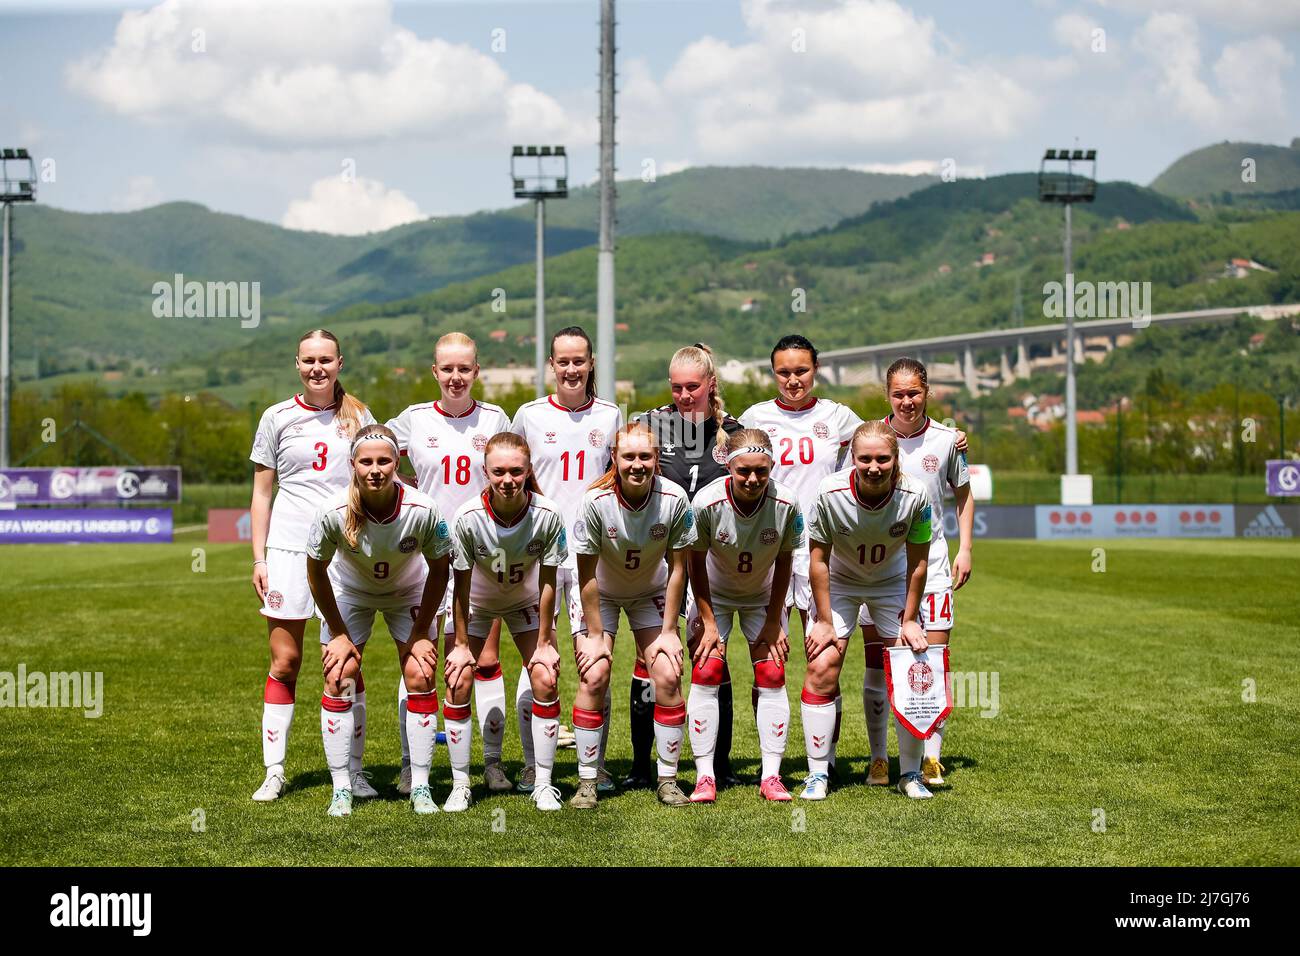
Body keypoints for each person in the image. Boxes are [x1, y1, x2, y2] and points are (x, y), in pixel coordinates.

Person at [249, 329, 377, 803]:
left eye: (326, 359)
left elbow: (377, 474)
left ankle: (354, 773)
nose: (317, 368)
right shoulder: (276, 417)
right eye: (309, 361)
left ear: (340, 362)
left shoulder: (359, 415)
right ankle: (275, 771)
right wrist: (259, 558)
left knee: (345, 665)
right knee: (285, 661)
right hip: (286, 551)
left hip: (344, 554)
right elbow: (262, 494)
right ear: (297, 364)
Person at [386, 332, 513, 796]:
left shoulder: (496, 419)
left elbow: (514, 472)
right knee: (419, 658)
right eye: (447, 369)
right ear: (434, 372)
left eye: (465, 368)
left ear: (476, 372)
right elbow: (368, 454)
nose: (456, 377)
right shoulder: (414, 420)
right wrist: (403, 492)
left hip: (484, 556)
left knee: (485, 659)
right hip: (425, 558)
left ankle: (492, 764)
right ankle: (410, 763)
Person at [304, 424, 453, 816]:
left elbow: (440, 569)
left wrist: (422, 632)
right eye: (366, 461)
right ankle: (344, 786)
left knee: (420, 673)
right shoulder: (332, 511)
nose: (376, 469)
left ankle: (420, 785)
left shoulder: (423, 509)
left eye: (384, 461)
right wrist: (336, 632)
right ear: (352, 464)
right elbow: (316, 572)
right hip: (351, 592)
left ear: (396, 461)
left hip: (408, 591)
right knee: (340, 675)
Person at [738, 334, 863, 778]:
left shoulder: (838, 416)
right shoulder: (755, 417)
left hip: (819, 554)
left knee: (823, 657)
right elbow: (724, 457)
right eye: (784, 372)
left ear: (816, 369)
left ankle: (823, 759)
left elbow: (881, 441)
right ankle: (770, 760)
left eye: (801, 371)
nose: (793, 380)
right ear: (774, 373)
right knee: (769, 659)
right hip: (769, 554)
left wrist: (951, 436)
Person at [509, 327, 622, 792]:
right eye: (563, 361)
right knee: (537, 658)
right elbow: (510, 473)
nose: (571, 368)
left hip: (592, 560)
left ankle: (594, 767)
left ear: (591, 363)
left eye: (580, 360)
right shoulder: (529, 416)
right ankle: (534, 766)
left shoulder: (612, 415)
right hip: (538, 560)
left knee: (595, 661)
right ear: (550, 366)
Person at [625, 343, 742, 789]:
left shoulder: (732, 431)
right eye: (676, 387)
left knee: (712, 658)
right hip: (662, 562)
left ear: (711, 384)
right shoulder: (649, 425)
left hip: (711, 563)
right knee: (651, 659)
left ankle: (720, 766)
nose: (684, 395)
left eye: (693, 386)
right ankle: (642, 765)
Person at [800, 420, 935, 801]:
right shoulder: (829, 493)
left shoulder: (916, 495)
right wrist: (825, 621)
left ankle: (910, 773)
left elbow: (919, 564)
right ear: (853, 460)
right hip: (840, 581)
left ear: (896, 459)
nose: (874, 467)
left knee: (911, 670)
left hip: (891, 582)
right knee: (822, 665)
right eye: (865, 459)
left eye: (882, 459)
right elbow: (818, 561)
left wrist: (909, 620)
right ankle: (817, 774)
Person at [858, 358, 973, 788]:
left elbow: (963, 495)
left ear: (927, 393)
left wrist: (966, 549)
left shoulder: (947, 441)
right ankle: (878, 758)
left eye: (914, 393)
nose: (906, 401)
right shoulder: (872, 438)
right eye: (898, 394)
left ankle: (931, 759)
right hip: (882, 570)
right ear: (888, 395)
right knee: (878, 663)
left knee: (932, 662)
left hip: (935, 565)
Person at [570, 422, 696, 808]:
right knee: (595, 674)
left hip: (650, 592)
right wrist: (594, 634)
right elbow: (586, 573)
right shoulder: (595, 501)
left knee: (668, 673)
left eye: (645, 456)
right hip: (601, 594)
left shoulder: (674, 498)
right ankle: (588, 781)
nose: (637, 464)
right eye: (629, 456)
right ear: (615, 459)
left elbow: (679, 569)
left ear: (657, 459)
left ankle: (668, 780)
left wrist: (670, 630)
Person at [444, 433, 569, 812]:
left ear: (529, 470)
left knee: (546, 676)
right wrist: (462, 645)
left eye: (516, 471)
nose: (508, 479)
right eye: (499, 472)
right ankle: (461, 783)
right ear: (485, 472)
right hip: (478, 604)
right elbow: (461, 586)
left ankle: (543, 782)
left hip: (524, 601)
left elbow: (548, 581)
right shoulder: (467, 518)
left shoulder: (547, 514)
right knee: (459, 678)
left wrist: (546, 641)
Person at [685, 429, 803, 802]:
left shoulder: (786, 503)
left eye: (761, 471)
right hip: (713, 595)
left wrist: (773, 620)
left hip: (762, 597)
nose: (753, 479)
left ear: (771, 466)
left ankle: (771, 776)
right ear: (729, 467)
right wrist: (707, 621)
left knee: (772, 671)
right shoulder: (705, 503)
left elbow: (785, 562)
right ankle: (705, 777)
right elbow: (694, 563)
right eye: (744, 471)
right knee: (707, 669)